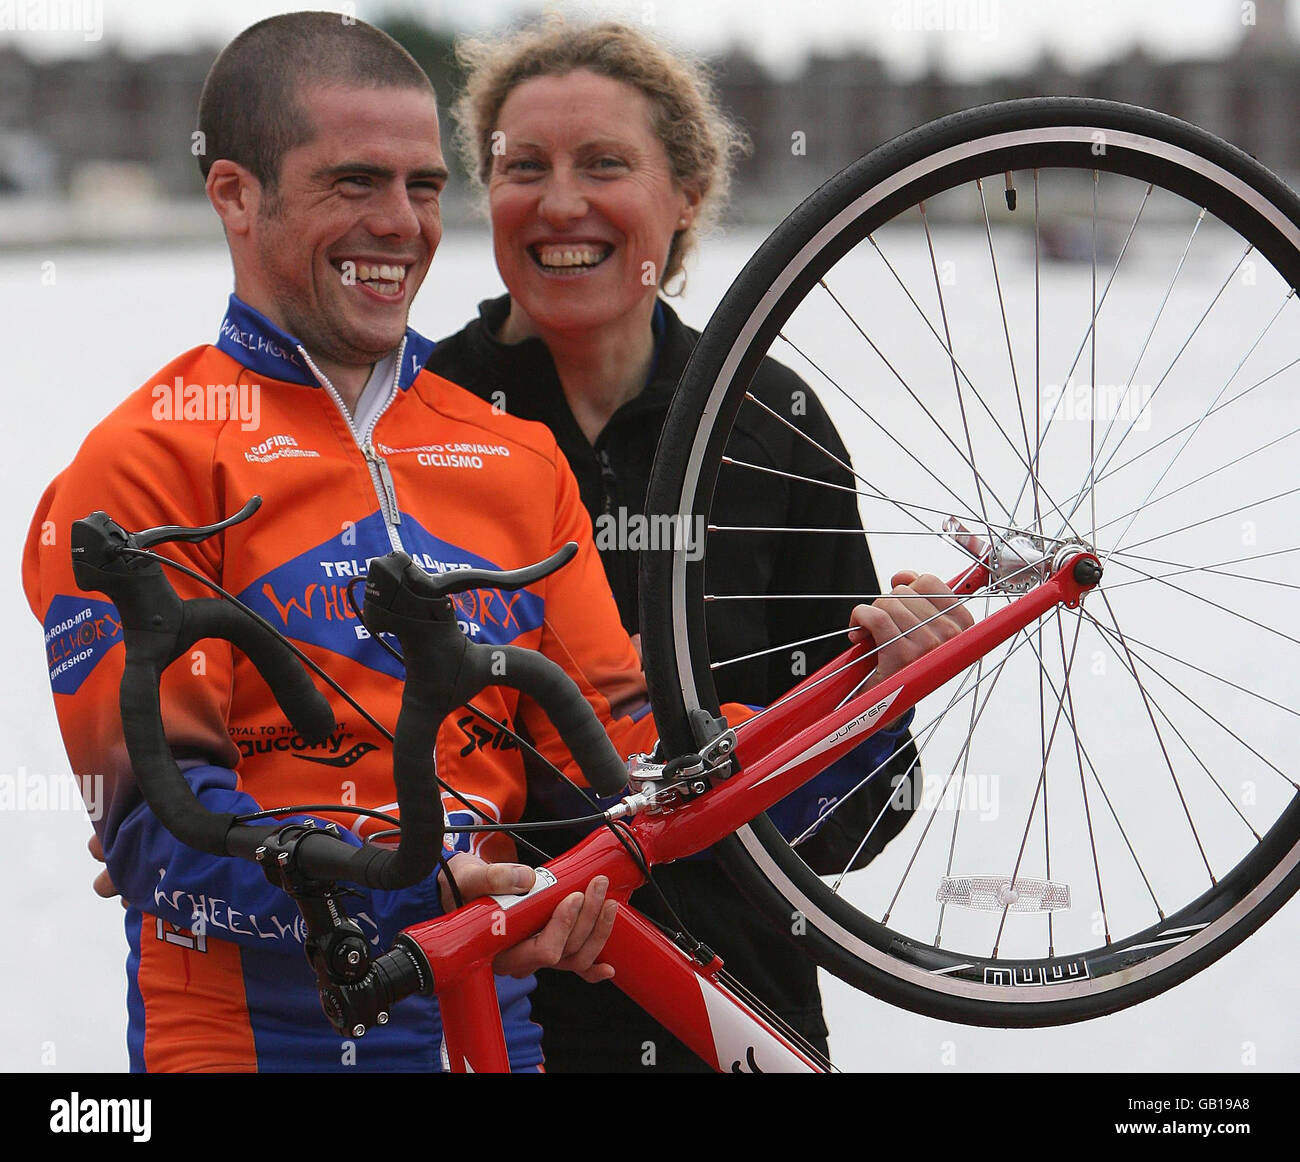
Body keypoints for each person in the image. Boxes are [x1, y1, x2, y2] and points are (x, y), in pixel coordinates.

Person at [27, 11, 970, 1073]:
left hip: (498, 1037)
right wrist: (422, 892)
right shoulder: (141, 463)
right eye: (354, 182)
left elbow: (632, 772)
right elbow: (159, 828)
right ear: (235, 195)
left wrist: (863, 709)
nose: (399, 224)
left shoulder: (512, 457)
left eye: (423, 187)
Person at [426, 19, 931, 1071]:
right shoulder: (422, 415)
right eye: (524, 168)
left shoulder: (769, 416)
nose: (559, 202)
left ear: (688, 193)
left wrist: (885, 697)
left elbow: (861, 823)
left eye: (603, 164)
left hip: (734, 1004)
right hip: (491, 1005)